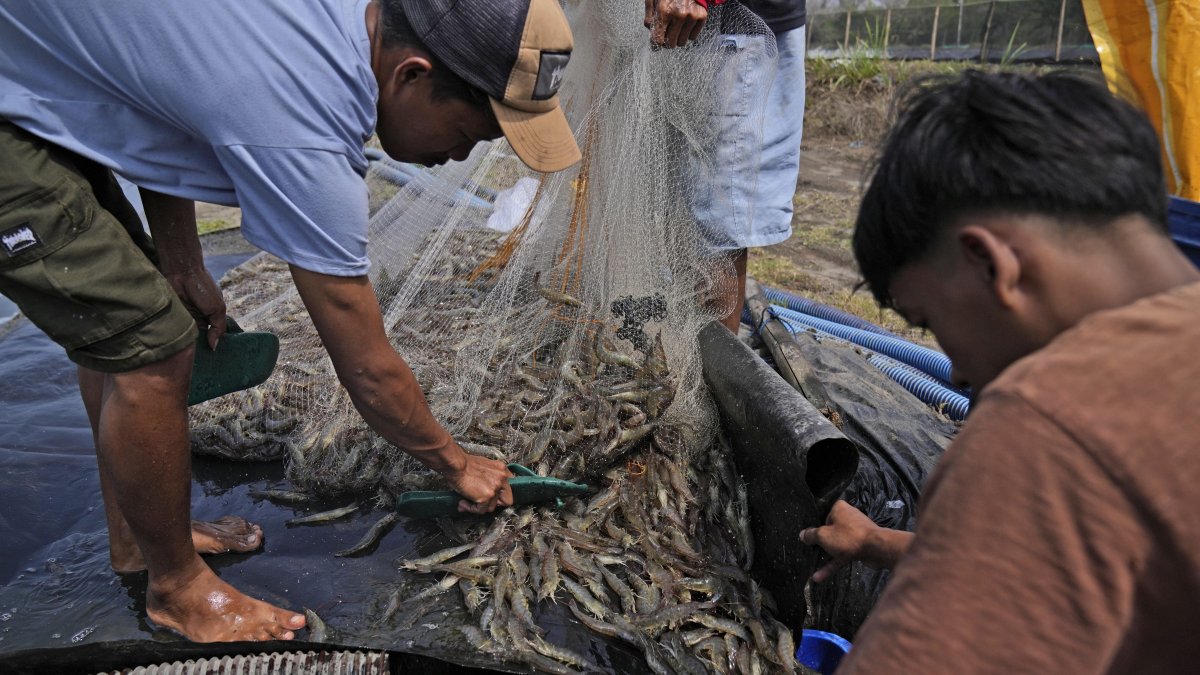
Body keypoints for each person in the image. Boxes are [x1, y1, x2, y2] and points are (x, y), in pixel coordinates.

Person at [0, 0, 585, 643]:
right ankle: (177, 591)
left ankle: (137, 543)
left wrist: (181, 256)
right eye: (469, 135)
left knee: (127, 317)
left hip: (45, 69)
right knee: (149, 345)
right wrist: (456, 464)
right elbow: (364, 363)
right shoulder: (301, 123)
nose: (458, 155)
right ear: (410, 75)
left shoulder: (331, 20)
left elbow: (168, 96)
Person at [800, 69, 1200, 673]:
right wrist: (880, 544)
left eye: (929, 319)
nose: (956, 374)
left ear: (991, 262)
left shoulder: (1051, 424)